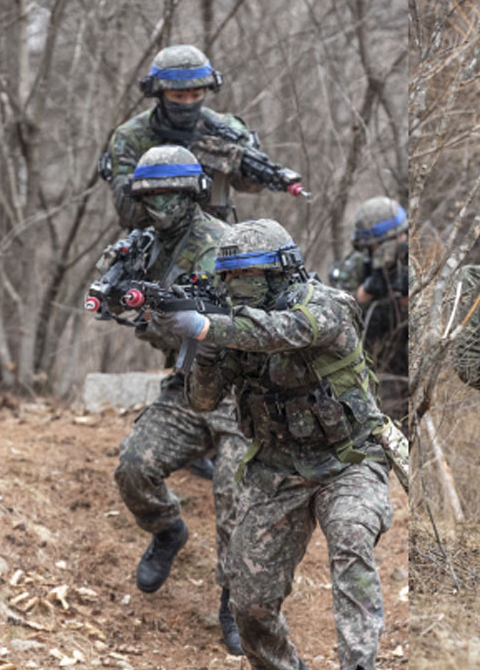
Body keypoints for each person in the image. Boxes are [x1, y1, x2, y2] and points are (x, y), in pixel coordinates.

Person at [161, 218, 394, 670]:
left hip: (349, 460)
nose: (237, 285)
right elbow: (205, 400)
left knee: (351, 542)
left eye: (249, 274)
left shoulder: (324, 306)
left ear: (280, 272)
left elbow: (283, 331)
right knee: (247, 602)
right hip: (276, 469)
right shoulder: (227, 324)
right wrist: (204, 352)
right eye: (230, 276)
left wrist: (210, 327)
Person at [107, 145, 247, 655]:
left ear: (194, 193)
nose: (162, 203)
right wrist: (139, 313)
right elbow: (149, 329)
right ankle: (167, 530)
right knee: (133, 466)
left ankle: (234, 599)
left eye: (172, 193)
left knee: (235, 498)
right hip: (188, 386)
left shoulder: (229, 243)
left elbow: (260, 320)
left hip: (243, 394)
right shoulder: (143, 247)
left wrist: (208, 320)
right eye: (151, 195)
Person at [102, 44, 261, 227]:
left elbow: (251, 186)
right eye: (178, 96)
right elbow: (127, 210)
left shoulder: (226, 129)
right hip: (153, 242)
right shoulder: (131, 136)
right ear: (160, 93)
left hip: (216, 237)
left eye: (196, 95)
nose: (188, 103)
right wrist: (185, 177)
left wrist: (234, 162)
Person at [328, 196, 409, 430]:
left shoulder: (416, 258)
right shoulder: (357, 264)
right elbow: (333, 314)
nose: (374, 252)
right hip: (375, 363)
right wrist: (365, 292)